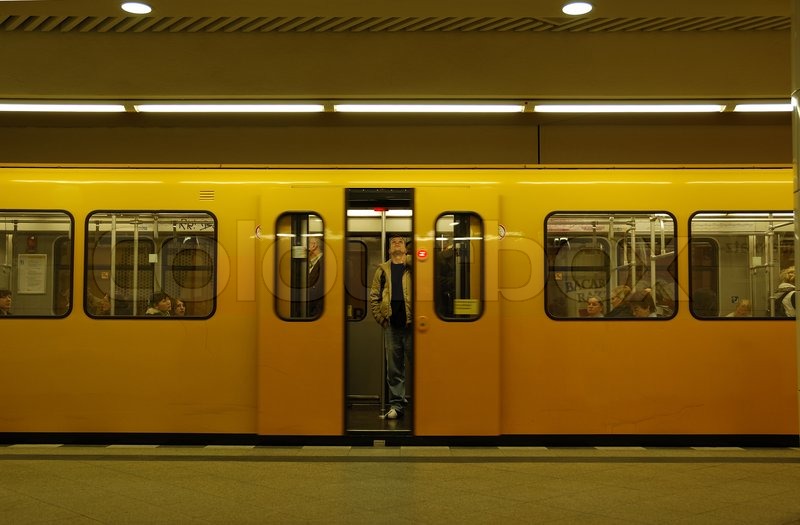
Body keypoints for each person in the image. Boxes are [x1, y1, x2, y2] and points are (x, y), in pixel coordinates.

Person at [369, 235, 412, 420]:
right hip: (392, 325)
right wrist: (382, 319)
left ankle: (425, 402)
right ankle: (397, 406)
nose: (396, 243)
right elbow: (374, 296)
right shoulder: (382, 270)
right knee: (394, 370)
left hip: (413, 325)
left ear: (406, 249)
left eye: (401, 241)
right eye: (393, 242)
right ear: (388, 250)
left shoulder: (413, 267)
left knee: (420, 365)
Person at [307, 237, 324, 317]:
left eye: (306, 244)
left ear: (314, 245)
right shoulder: (311, 263)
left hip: (316, 312)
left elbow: (318, 290)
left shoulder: (324, 263)